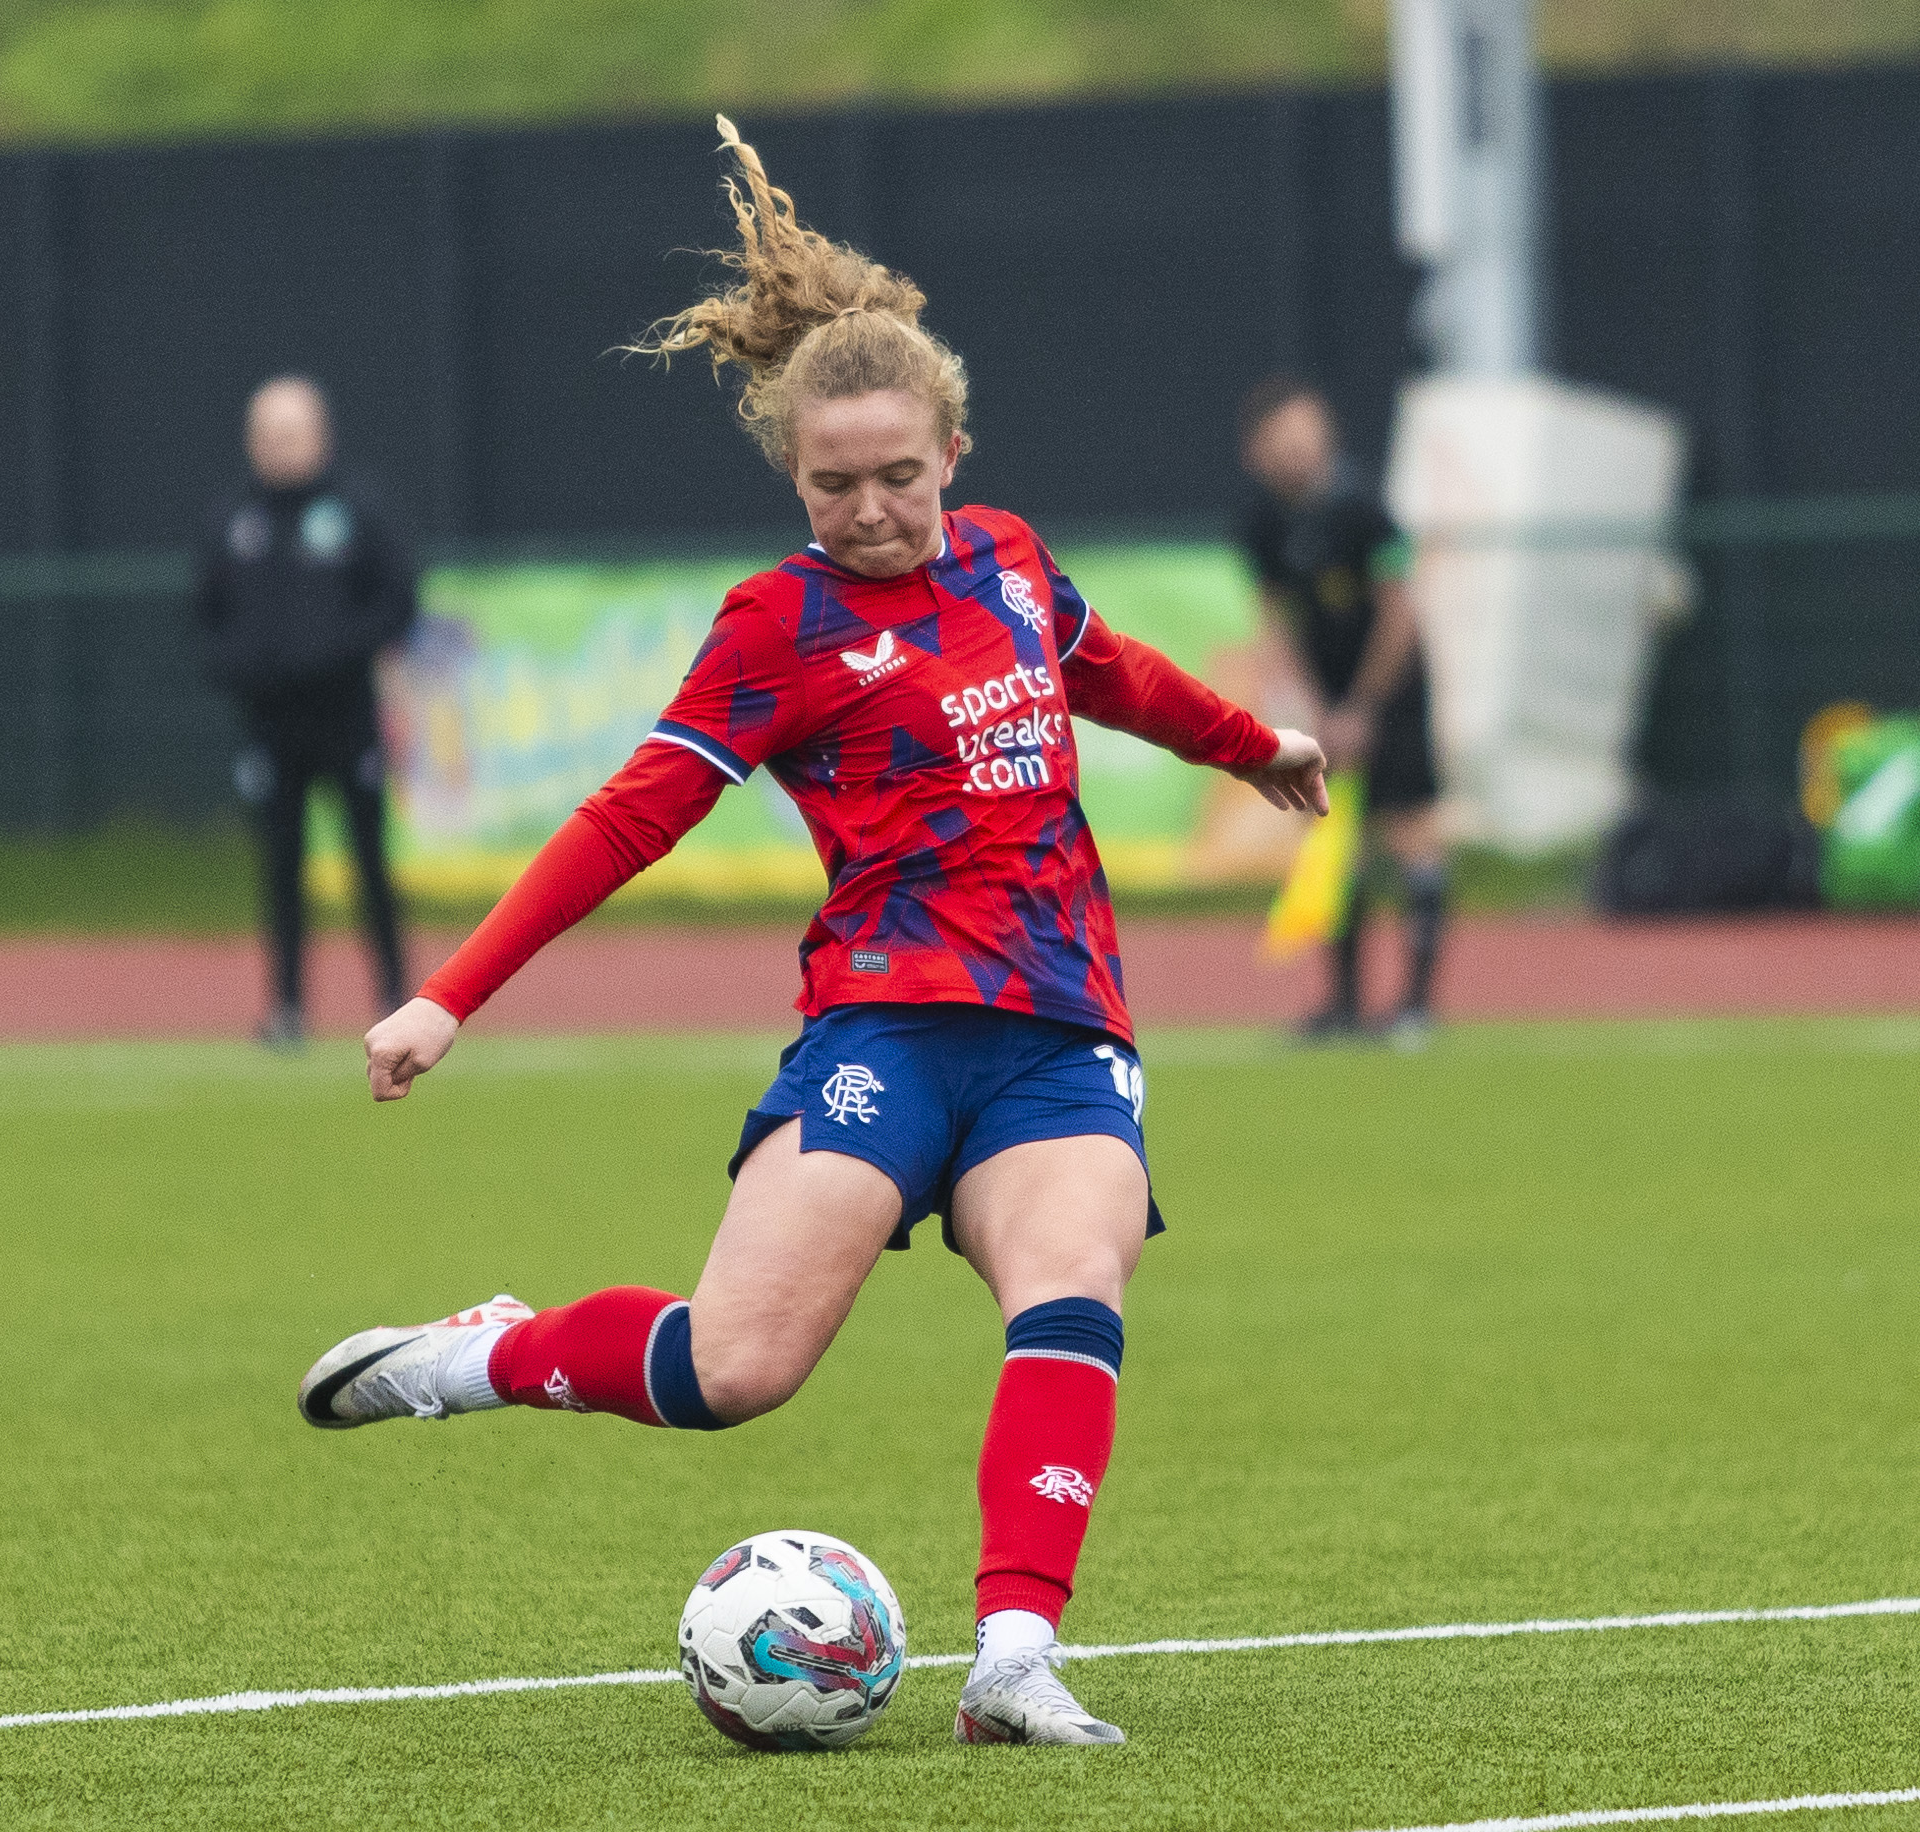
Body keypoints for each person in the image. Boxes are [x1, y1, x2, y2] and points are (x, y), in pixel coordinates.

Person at [297, 120, 1327, 1747]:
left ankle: (1009, 1658)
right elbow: (629, 813)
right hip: (885, 1029)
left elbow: (1110, 667)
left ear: (953, 450)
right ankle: (484, 1354)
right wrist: (447, 997)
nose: (867, 508)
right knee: (734, 1367)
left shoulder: (1004, 564)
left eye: (896, 476)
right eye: (831, 483)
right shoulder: (775, 626)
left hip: (1062, 1033)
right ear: (794, 476)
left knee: (1071, 1273)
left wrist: (1244, 744)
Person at [194, 376, 416, 1049]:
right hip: (269, 722)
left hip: (346, 714)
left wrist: (334, 654)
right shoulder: (235, 519)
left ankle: (394, 996)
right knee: (280, 866)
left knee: (367, 861)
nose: (278, 446)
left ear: (319, 436)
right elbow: (205, 616)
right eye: (266, 434)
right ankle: (288, 1007)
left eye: (291, 433)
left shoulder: (355, 510)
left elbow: (397, 598)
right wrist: (241, 668)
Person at [1235, 377, 1449, 1045]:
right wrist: (1308, 707)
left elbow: (1398, 613)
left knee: (1408, 833)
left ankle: (1414, 1007)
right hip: (1327, 708)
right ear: (1256, 453)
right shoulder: (1262, 521)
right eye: (1280, 443)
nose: (1294, 453)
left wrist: (1362, 706)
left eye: (1305, 437)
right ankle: (1346, 1007)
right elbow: (1275, 620)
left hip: (1389, 698)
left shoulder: (1366, 513)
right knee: (1331, 839)